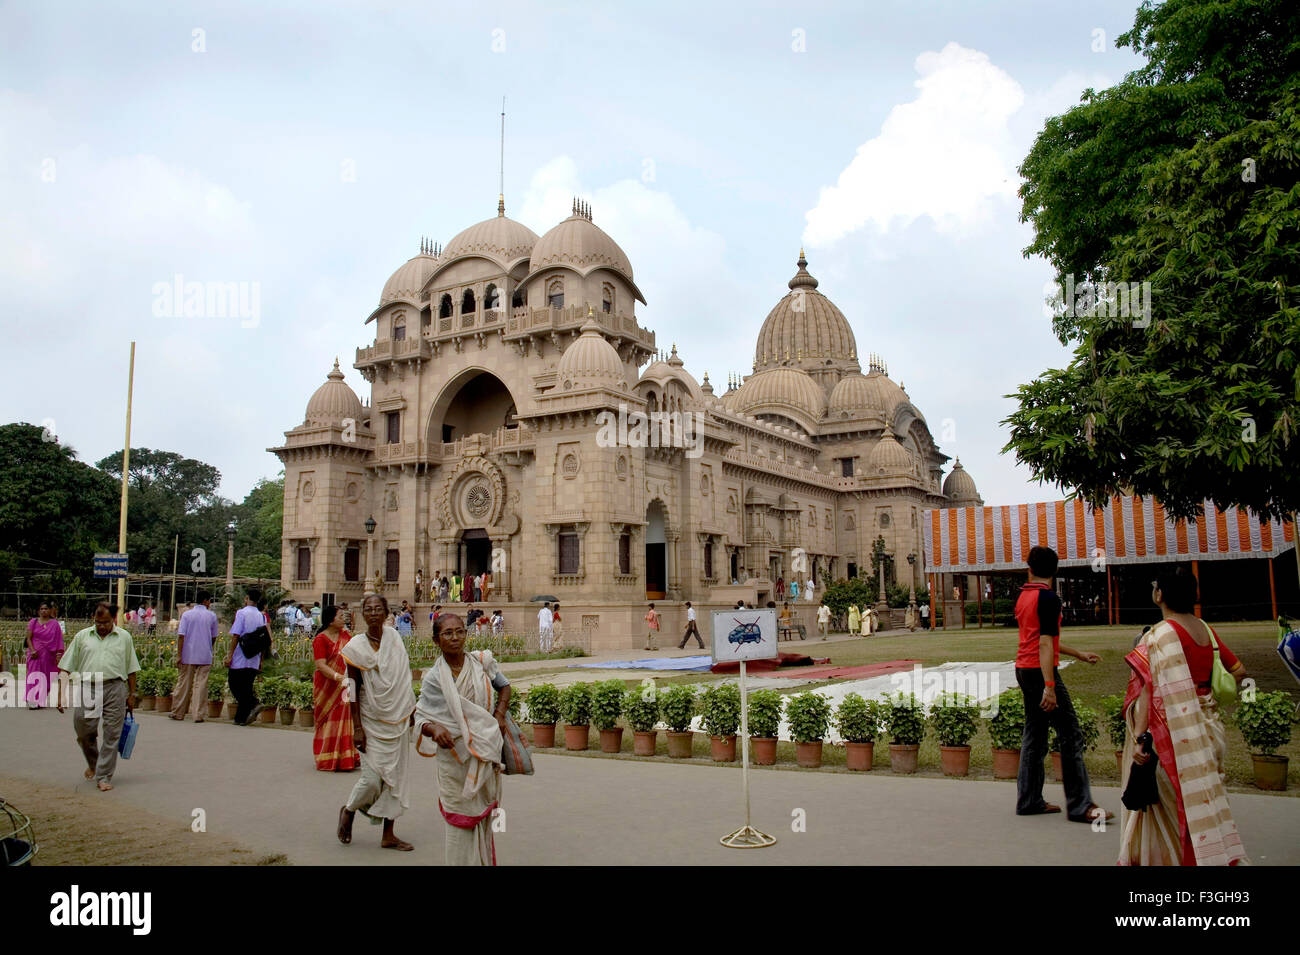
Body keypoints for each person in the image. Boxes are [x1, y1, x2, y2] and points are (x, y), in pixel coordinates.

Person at [1118, 569, 1249, 866]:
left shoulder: (1160, 636)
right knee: (1201, 801)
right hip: (1207, 730)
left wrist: (1140, 739)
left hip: (1173, 736)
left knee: (1172, 804)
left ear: (1160, 594)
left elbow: (1148, 692)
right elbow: (1239, 670)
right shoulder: (1205, 629)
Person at [1014, 546, 1110, 824]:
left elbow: (1041, 640)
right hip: (1039, 672)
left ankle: (1029, 800)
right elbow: (1044, 644)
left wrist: (1078, 654)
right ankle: (1081, 806)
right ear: (1055, 570)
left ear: (1028, 567)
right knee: (1070, 734)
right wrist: (1050, 686)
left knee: (1036, 734)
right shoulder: (1049, 599)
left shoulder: (1024, 596)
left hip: (1024, 668)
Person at [414, 613, 509, 865]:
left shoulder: (481, 662)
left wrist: (499, 715)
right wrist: (434, 730)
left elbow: (505, 687)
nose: (455, 638)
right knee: (458, 821)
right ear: (436, 640)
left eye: (459, 632)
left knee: (487, 818)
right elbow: (421, 717)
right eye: (447, 633)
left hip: (484, 755)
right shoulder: (434, 677)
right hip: (453, 761)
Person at [337, 594, 416, 851]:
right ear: (362, 614)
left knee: (396, 778)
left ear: (385, 613)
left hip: (398, 717)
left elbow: (402, 676)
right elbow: (350, 687)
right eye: (368, 609)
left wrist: (410, 706)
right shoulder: (355, 647)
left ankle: (389, 834)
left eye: (377, 609)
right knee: (372, 779)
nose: (373, 613)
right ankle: (349, 810)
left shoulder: (394, 639)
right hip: (370, 718)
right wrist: (356, 727)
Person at [58, 602, 140, 791]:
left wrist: (131, 694)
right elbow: (65, 666)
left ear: (113, 619)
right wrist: (60, 695)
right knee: (83, 730)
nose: (101, 626)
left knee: (112, 734)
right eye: (97, 622)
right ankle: (94, 763)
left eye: (105, 622)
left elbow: (132, 669)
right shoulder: (82, 637)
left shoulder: (124, 638)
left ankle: (104, 776)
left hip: (115, 687)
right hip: (89, 686)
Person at [312, 605, 359, 772]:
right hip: (328, 685)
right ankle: (328, 756)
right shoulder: (321, 639)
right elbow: (320, 665)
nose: (343, 619)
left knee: (346, 716)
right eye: (340, 616)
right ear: (331, 620)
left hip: (346, 684)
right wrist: (338, 677)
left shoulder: (346, 636)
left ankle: (346, 756)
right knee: (328, 718)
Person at [172, 590, 218, 722]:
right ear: (205, 601)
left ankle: (178, 712)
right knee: (201, 685)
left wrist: (179, 655)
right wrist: (209, 646)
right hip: (205, 654)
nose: (210, 603)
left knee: (184, 683)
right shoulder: (212, 616)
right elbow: (214, 636)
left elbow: (181, 636)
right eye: (209, 601)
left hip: (188, 654)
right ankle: (198, 714)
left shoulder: (187, 615)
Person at [226, 588, 268, 725]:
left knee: (234, 684)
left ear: (247, 598)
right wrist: (261, 659)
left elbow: (236, 634)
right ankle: (241, 717)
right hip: (254, 655)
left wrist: (229, 655)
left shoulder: (241, 613)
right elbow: (263, 638)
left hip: (240, 654)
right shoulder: (261, 615)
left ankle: (253, 703)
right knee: (246, 686)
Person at [25, 602, 65, 709]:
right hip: (35, 655)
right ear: (38, 611)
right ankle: (32, 700)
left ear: (50, 610)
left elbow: (59, 640)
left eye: (46, 609)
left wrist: (58, 654)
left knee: (45, 678)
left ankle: (40, 701)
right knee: (33, 676)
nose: (44, 611)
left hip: (48, 656)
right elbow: (28, 638)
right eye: (41, 609)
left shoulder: (55, 624)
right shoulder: (33, 622)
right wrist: (32, 650)